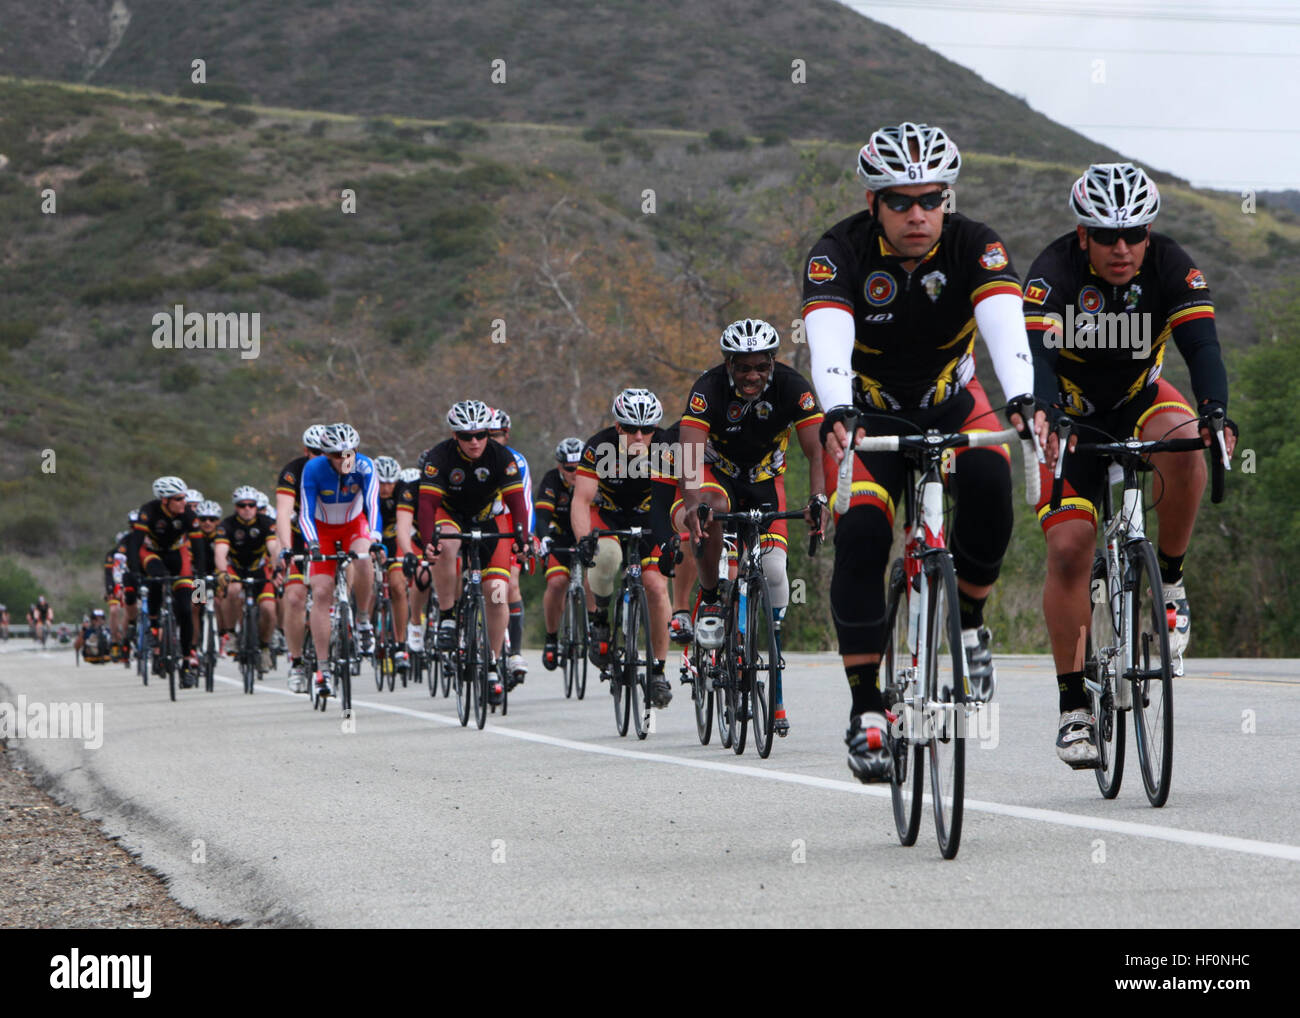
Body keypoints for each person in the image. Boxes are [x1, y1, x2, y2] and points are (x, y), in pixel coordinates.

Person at [802, 121, 1044, 782]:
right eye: (901, 201)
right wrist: (837, 411)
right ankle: (866, 712)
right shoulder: (839, 252)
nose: (918, 215)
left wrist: (1024, 397)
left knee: (993, 489)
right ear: (873, 202)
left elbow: (1004, 325)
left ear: (947, 200)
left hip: (952, 400)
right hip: (869, 409)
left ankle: (969, 622)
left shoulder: (975, 244)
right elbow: (827, 343)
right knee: (860, 534)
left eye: (932, 199)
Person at [1023, 162, 1236, 767]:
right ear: (1083, 235)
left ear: (1148, 234)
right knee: (1068, 549)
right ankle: (1072, 710)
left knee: (1187, 438)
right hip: (1069, 414)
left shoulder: (1170, 264)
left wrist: (1217, 410)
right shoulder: (1054, 271)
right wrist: (1043, 410)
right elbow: (1034, 353)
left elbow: (1201, 345)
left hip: (1140, 398)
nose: (1123, 247)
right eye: (1108, 235)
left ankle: (1168, 579)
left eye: (1134, 234)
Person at [678, 318, 827, 735]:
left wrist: (818, 499)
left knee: (776, 571)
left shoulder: (793, 386)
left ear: (772, 364)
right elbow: (689, 452)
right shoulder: (707, 388)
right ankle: (710, 597)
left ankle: (773, 663)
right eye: (743, 367)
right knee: (710, 510)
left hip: (764, 480)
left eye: (760, 367)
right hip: (717, 474)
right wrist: (692, 506)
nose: (751, 375)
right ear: (729, 365)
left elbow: (816, 451)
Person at [417, 400, 530, 706]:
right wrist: (428, 540)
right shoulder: (438, 457)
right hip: (450, 514)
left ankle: (493, 662)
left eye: (480, 434)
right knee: (447, 543)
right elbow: (427, 504)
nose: (475, 441)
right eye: (467, 436)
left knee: (496, 590)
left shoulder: (500, 455)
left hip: (490, 519)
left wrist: (522, 537)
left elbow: (517, 502)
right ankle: (448, 615)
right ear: (456, 437)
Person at [570, 388, 674, 709]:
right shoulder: (598, 447)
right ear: (618, 428)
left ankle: (657, 671)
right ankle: (600, 617)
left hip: (650, 517)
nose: (639, 436)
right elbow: (582, 500)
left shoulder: (668, 448)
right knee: (608, 557)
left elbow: (679, 499)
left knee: (656, 587)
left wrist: (675, 539)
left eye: (647, 430)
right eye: (630, 429)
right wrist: (584, 541)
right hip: (608, 512)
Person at [299, 423, 382, 701]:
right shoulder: (312, 470)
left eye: (349, 453)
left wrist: (376, 536)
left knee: (363, 558)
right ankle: (322, 669)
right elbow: (306, 513)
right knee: (321, 593)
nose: (344, 459)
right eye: (336, 455)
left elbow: (372, 505)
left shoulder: (366, 467)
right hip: (321, 529)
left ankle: (362, 620)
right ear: (326, 455)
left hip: (353, 525)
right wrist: (311, 543)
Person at [276, 424, 328, 692]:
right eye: (315, 452)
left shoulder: (342, 464)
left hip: (332, 534)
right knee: (295, 597)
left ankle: (350, 617)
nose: (322, 457)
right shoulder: (292, 471)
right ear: (305, 451)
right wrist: (285, 548)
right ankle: (296, 662)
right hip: (301, 540)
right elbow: (283, 514)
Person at [135, 476, 202, 683]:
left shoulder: (188, 514)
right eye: (179, 499)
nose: (184, 502)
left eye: (184, 498)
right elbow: (135, 544)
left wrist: (199, 571)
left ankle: (187, 659)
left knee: (185, 608)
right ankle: (153, 627)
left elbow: (198, 546)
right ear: (165, 500)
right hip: (152, 553)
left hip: (176, 554)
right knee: (157, 579)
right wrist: (135, 570)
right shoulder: (148, 511)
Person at [487, 408, 535, 686]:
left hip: (509, 523)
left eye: (496, 435)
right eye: (487, 435)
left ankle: (514, 651)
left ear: (506, 435)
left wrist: (527, 537)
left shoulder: (516, 461)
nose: (491, 441)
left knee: (509, 585)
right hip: (479, 523)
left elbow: (526, 503)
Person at [215, 487, 281, 673]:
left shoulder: (265, 522)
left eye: (251, 505)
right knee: (199, 604)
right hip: (209, 574)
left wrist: (276, 568)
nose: (207, 523)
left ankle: (266, 645)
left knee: (269, 607)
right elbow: (219, 554)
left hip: (257, 569)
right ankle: (216, 637)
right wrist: (220, 573)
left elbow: (273, 548)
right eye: (203, 519)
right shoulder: (224, 526)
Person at [535, 437, 583, 670]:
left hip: (585, 535)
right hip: (559, 537)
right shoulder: (551, 480)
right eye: (569, 468)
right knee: (557, 583)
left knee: (595, 578)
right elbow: (542, 516)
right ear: (560, 466)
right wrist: (544, 537)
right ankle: (552, 638)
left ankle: (595, 625)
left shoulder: (595, 480)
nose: (575, 472)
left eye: (579, 467)